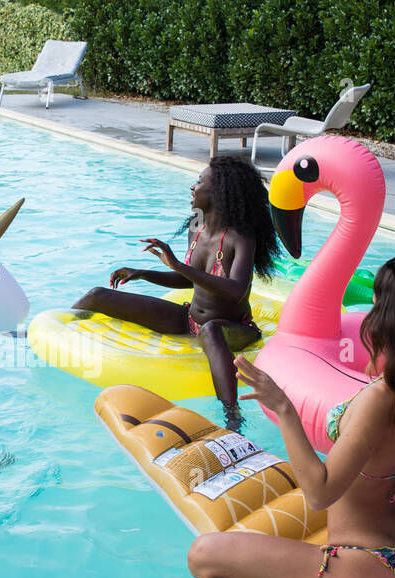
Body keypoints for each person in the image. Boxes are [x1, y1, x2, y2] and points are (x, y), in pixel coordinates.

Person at [186, 251, 395, 578]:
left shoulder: (383, 398)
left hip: (371, 563)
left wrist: (283, 409)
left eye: (377, 306)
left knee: (203, 556)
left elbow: (320, 494)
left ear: (393, 320)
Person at [71, 155, 286, 430]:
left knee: (210, 330)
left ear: (219, 191)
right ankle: (35, 334)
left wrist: (176, 264)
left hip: (234, 328)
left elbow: (235, 290)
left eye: (199, 182)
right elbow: (188, 280)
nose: (192, 188)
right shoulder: (197, 226)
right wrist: (144, 273)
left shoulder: (239, 236)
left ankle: (233, 417)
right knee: (97, 295)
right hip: (190, 319)